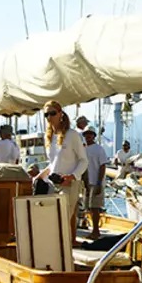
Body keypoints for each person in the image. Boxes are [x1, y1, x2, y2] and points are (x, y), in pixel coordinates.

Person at [36, 100, 88, 240]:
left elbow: (84, 161)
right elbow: (53, 163)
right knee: (51, 219)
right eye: (46, 115)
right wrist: (39, 176)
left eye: (52, 113)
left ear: (60, 114)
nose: (49, 117)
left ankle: (64, 253)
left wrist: (71, 176)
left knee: (63, 218)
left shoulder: (72, 135)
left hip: (69, 184)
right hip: (53, 183)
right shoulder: (49, 137)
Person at [82, 125, 109, 240]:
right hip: (86, 182)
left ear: (93, 136)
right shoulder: (82, 149)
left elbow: (103, 166)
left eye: (90, 134)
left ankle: (96, 231)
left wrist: (99, 183)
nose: (88, 136)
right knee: (88, 207)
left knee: (95, 208)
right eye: (86, 134)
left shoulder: (99, 149)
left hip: (96, 182)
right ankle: (92, 229)